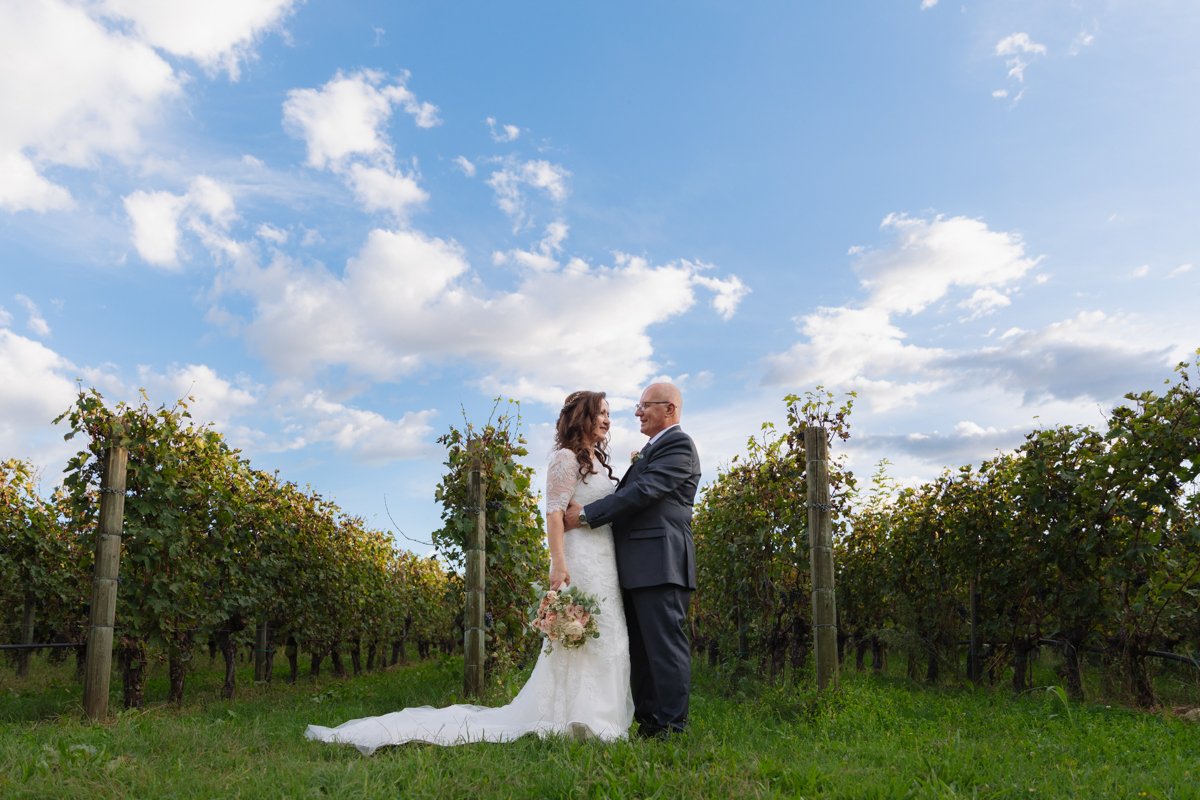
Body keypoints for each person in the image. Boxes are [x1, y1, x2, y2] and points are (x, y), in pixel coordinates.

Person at [305, 390, 634, 754]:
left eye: (609, 414)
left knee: (608, 634)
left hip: (605, 557)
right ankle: (575, 716)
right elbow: (554, 512)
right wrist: (559, 562)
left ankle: (604, 717)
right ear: (581, 418)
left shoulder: (599, 462)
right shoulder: (565, 458)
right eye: (600, 413)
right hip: (579, 558)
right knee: (577, 634)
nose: (607, 419)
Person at [564, 382, 700, 739]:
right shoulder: (653, 449)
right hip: (638, 564)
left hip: (661, 562)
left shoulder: (679, 445)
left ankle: (671, 725)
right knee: (641, 649)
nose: (637, 412)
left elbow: (644, 491)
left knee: (664, 647)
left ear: (669, 409)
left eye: (645, 406)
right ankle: (650, 722)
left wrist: (586, 515)